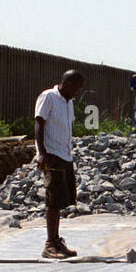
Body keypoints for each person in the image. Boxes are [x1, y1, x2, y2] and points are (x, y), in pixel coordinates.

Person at [34, 69, 85, 259]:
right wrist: (41, 153)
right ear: (69, 84)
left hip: (65, 155)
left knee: (61, 200)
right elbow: (39, 122)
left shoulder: (68, 103)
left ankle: (56, 241)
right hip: (51, 155)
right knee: (53, 201)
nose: (78, 92)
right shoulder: (49, 97)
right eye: (78, 88)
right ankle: (49, 244)